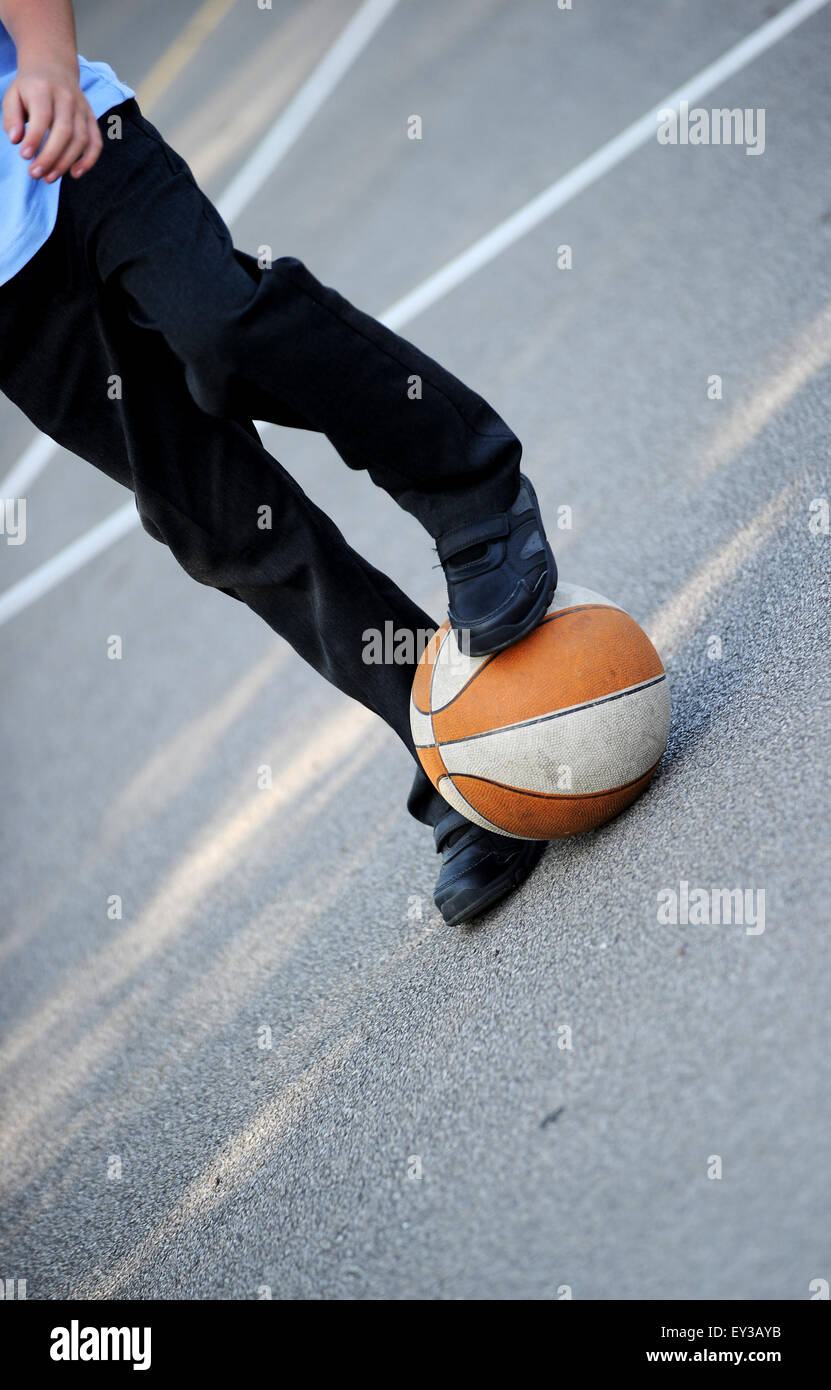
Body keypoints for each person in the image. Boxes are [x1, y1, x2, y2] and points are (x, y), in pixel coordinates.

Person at [0, 0, 556, 926]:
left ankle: (473, 497)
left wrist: (48, 61)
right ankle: (457, 747)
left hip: (71, 149)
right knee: (213, 516)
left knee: (223, 328)